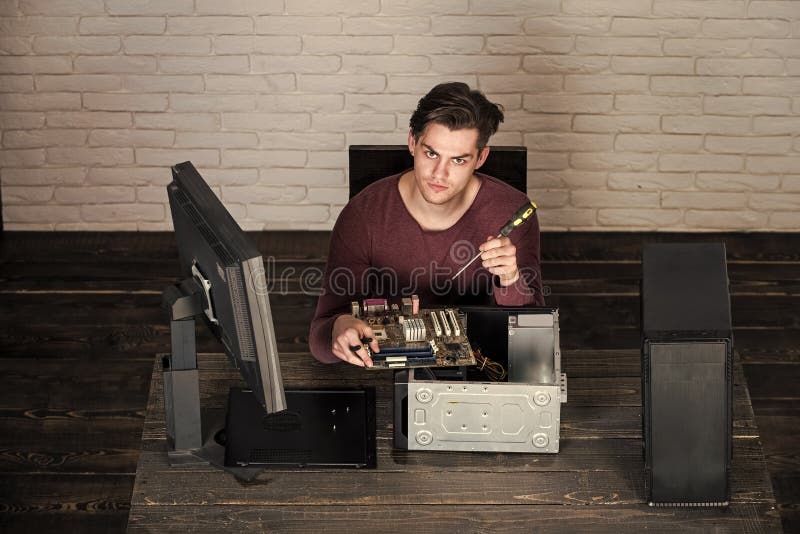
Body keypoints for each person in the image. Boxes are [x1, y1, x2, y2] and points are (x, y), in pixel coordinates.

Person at [309, 82, 544, 366]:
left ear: (480, 158)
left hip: (478, 364)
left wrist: (510, 280)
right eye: (431, 153)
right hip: (386, 364)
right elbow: (320, 339)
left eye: (458, 160)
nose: (439, 174)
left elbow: (535, 336)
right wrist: (339, 327)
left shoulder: (513, 213)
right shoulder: (363, 215)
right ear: (412, 142)